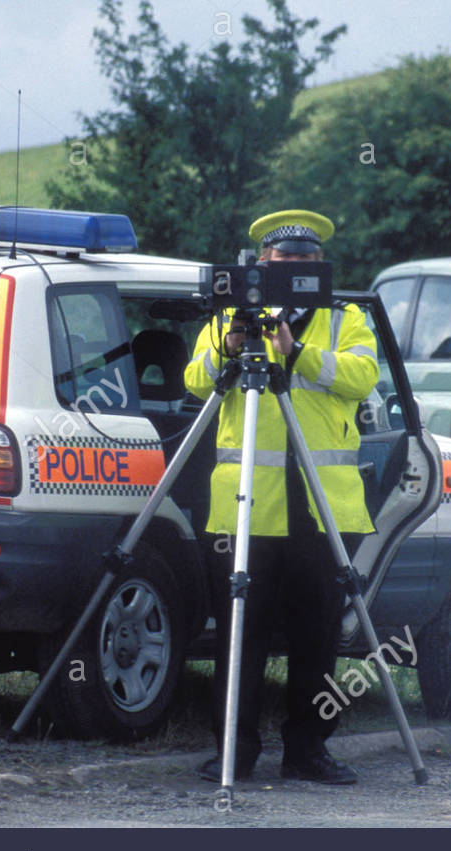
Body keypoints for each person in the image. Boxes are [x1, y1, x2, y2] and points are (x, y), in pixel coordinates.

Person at [183, 210, 379, 785]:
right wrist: (230, 347)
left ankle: (308, 751)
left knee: (318, 638)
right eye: (282, 259)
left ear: (318, 265)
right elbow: (195, 380)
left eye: (304, 258)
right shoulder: (230, 316)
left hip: (323, 508)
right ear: (260, 265)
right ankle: (234, 753)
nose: (293, 267)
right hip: (247, 506)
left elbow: (362, 377)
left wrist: (296, 353)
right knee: (240, 634)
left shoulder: (346, 318)